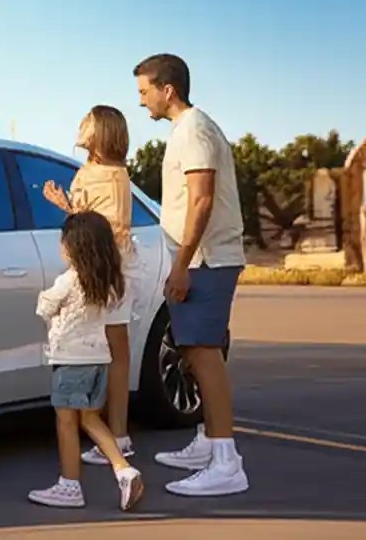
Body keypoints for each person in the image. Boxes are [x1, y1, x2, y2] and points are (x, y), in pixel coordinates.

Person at [133, 52, 248, 496]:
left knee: (203, 355)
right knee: (191, 351)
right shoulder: (187, 130)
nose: (142, 102)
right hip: (199, 260)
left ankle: (226, 462)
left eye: (145, 92)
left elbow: (201, 201)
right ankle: (207, 442)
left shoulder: (195, 130)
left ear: (168, 90)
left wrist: (181, 265)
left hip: (207, 261)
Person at [42, 105, 144, 466]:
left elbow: (107, 231)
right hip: (94, 266)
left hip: (110, 269)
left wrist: (71, 213)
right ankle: (107, 432)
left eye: (88, 124)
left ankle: (117, 435)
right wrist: (66, 207)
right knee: (100, 348)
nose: (80, 128)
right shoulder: (88, 172)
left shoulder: (113, 176)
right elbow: (87, 223)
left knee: (114, 348)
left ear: (102, 133)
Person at [29, 211, 144, 511]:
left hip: (70, 362)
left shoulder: (69, 280)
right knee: (91, 419)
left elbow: (45, 306)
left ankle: (70, 485)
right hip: (98, 360)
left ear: (75, 247)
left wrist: (45, 299)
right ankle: (123, 469)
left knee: (66, 422)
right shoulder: (108, 281)